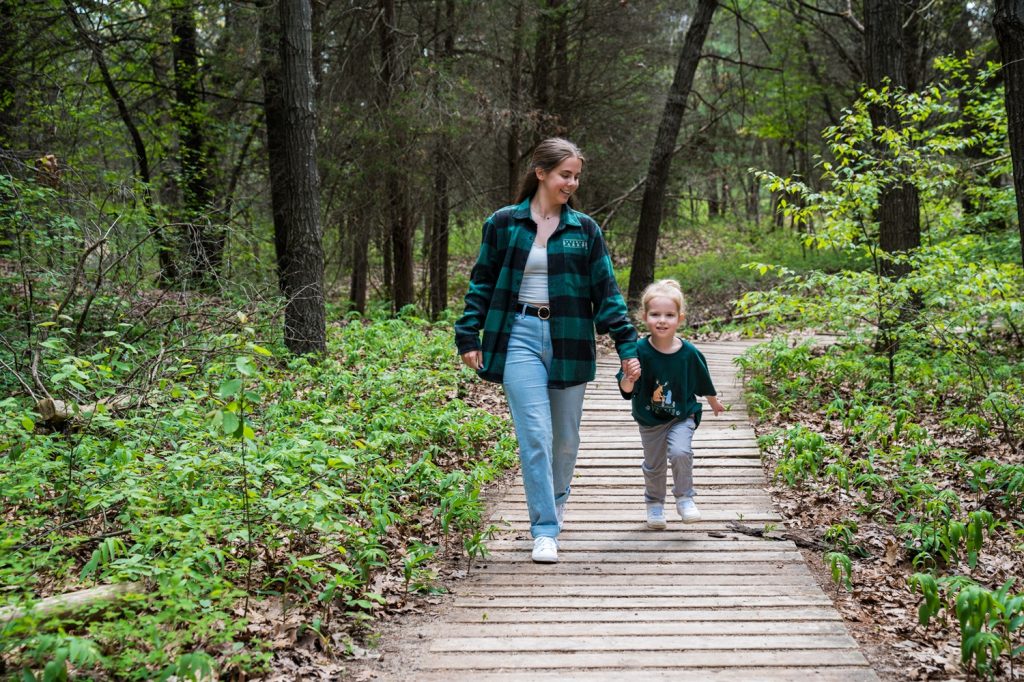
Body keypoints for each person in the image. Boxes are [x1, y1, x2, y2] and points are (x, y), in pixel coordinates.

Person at [455, 138, 638, 564]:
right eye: (565, 174)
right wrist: (468, 334)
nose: (572, 183)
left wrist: (627, 343)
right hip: (517, 334)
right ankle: (544, 528)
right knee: (535, 435)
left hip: (570, 339)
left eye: (576, 176)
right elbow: (482, 280)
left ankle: (555, 506)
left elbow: (606, 292)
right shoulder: (503, 223)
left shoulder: (584, 230)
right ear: (541, 172)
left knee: (566, 441)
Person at [617, 279, 724, 529]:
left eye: (669, 315)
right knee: (653, 465)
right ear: (644, 317)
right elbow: (625, 389)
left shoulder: (689, 353)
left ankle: (685, 498)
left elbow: (703, 379)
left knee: (680, 452)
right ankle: (654, 503)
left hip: (681, 416)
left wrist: (713, 401)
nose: (662, 320)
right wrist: (629, 378)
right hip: (650, 419)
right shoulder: (638, 351)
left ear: (680, 318)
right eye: (655, 314)